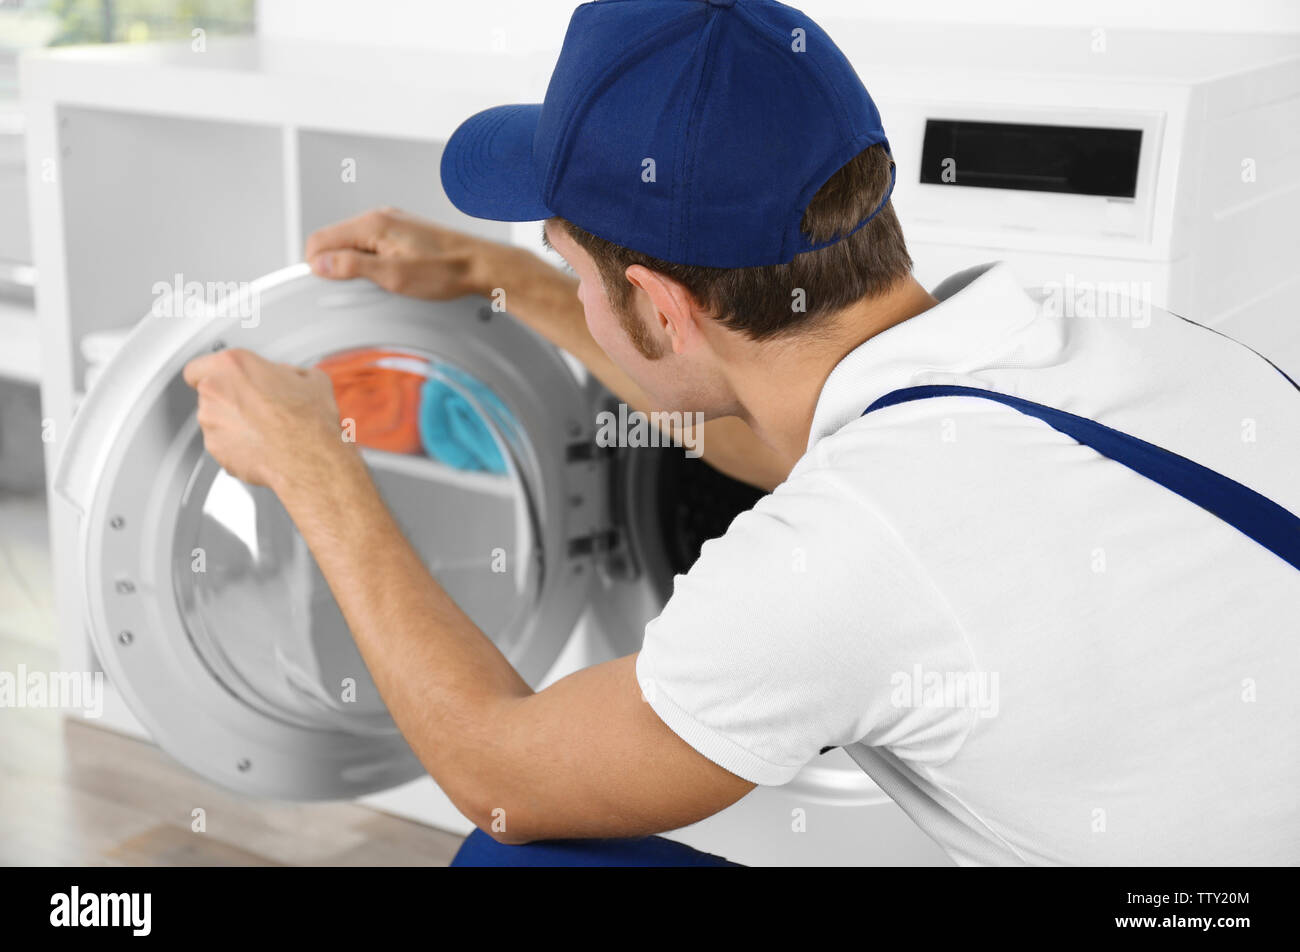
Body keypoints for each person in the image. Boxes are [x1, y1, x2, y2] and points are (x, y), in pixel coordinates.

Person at [183, 0, 1300, 866]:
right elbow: (777, 446)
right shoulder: (1108, 349)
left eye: (579, 273)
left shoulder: (840, 557)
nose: (572, 293)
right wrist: (499, 276)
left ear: (660, 308)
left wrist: (316, 467)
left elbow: (497, 775)